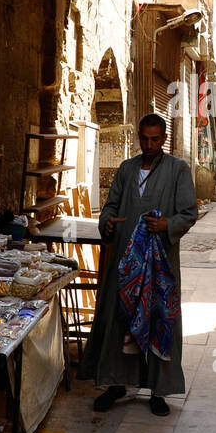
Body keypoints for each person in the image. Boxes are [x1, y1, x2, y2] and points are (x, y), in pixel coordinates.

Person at [79, 114, 198, 416]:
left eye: (155, 139)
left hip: (160, 264)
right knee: (119, 318)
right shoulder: (126, 168)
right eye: (144, 139)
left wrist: (166, 224)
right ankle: (118, 382)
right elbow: (109, 207)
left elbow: (189, 213)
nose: (149, 144)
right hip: (125, 261)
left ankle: (158, 390)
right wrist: (107, 223)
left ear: (163, 139)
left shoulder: (178, 170)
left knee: (159, 320)